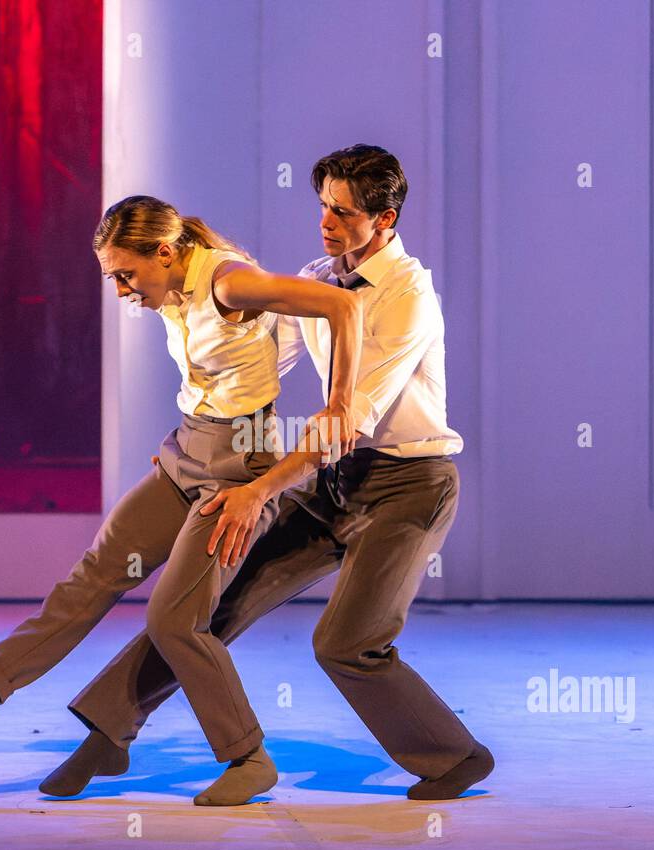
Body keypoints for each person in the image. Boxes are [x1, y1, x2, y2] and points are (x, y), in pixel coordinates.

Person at [42, 146, 494, 802]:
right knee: (207, 605)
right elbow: (249, 375)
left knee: (346, 641)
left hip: (410, 486)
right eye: (323, 207)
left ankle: (455, 758)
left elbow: (348, 419)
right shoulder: (318, 276)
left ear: (385, 219)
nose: (327, 222)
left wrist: (257, 489)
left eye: (343, 212)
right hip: (332, 482)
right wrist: (193, 450)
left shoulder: (408, 298)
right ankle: (107, 736)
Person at [0, 195, 363, 806]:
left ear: (165, 253)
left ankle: (248, 759)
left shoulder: (230, 283)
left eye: (126, 275)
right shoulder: (173, 287)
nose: (122, 291)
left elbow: (341, 303)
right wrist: (190, 436)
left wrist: (338, 404)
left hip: (236, 474)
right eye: (113, 278)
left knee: (174, 620)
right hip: (185, 456)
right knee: (94, 576)